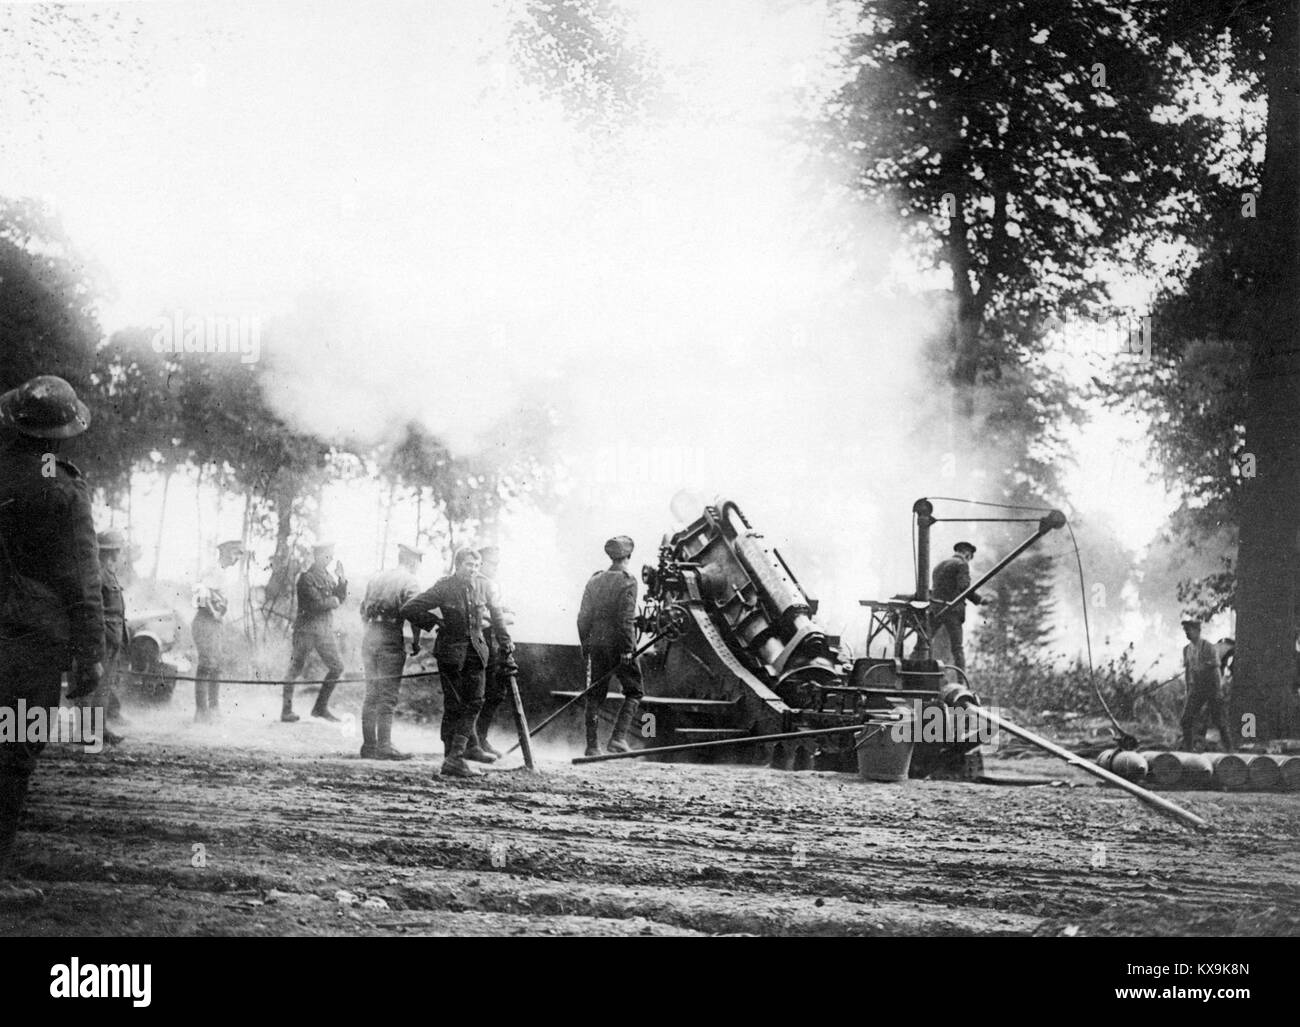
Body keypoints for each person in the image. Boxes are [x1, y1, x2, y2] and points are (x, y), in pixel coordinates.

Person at [0, 376, 104, 906]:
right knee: (13, 754)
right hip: (28, 645)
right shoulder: (63, 488)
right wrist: (92, 656)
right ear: (61, 436)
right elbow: (83, 582)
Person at [401, 548, 499, 777]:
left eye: (476, 565)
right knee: (454, 705)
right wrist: (435, 622)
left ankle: (458, 755)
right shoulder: (444, 586)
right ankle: (451, 759)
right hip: (450, 653)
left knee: (475, 701)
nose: (473, 569)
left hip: (476, 653)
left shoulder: (481, 585)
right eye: (468, 565)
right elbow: (410, 608)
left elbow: (493, 616)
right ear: (457, 565)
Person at [576, 535, 644, 757]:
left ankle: (592, 747)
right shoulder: (628, 580)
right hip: (618, 645)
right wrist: (627, 649)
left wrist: (587, 644)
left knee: (595, 695)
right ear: (628, 556)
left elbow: (582, 617)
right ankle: (618, 739)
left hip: (597, 644)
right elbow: (626, 619)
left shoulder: (594, 580)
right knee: (634, 691)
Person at [358, 542, 423, 759]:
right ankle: (384, 747)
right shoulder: (410, 580)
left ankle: (369, 746)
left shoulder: (377, 577)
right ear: (413, 561)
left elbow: (362, 609)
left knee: (371, 694)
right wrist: (415, 640)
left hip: (370, 635)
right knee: (387, 695)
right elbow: (415, 612)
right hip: (390, 635)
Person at [282, 542, 347, 723]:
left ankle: (320, 708)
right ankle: (286, 711)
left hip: (324, 631)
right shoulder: (306, 578)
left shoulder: (328, 576)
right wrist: (332, 601)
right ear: (318, 556)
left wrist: (341, 580)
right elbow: (314, 606)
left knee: (337, 667)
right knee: (295, 668)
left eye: (332, 555)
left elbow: (340, 598)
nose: (331, 559)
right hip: (306, 631)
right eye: (328, 555)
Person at [192, 539, 245, 723]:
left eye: (239, 554)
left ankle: (213, 708)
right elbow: (199, 594)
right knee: (206, 665)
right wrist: (213, 611)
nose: (237, 558)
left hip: (215, 624)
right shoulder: (212, 570)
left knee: (216, 665)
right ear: (223, 551)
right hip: (204, 622)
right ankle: (201, 711)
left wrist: (220, 612)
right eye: (234, 553)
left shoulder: (222, 573)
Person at [474, 545, 516, 759]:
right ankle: (473, 742)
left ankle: (481, 737)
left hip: (495, 647)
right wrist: (496, 618)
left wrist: (494, 618)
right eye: (493, 563)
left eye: (498, 564)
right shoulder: (475, 583)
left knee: (496, 694)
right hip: (481, 646)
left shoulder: (494, 585)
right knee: (480, 694)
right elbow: (478, 619)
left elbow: (509, 614)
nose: (496, 568)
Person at [87, 530, 129, 744]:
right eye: (118, 551)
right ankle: (89, 732)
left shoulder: (109, 574)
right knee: (96, 685)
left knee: (105, 686)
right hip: (103, 638)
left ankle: (99, 729)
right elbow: (94, 610)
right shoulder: (98, 574)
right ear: (111, 552)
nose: (120, 556)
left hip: (113, 638)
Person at [1180, 617, 1235, 752]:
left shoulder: (1208, 647)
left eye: (1189, 630)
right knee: (1186, 720)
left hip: (1211, 688)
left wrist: (1218, 691)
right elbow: (1188, 672)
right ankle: (1189, 750)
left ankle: (1230, 750)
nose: (1187, 633)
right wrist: (1188, 691)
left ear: (1198, 631)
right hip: (1197, 689)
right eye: (1185, 630)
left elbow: (1216, 671)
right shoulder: (1186, 649)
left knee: (1219, 722)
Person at [929, 542, 984, 671]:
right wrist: (980, 599)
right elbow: (964, 587)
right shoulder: (962, 564)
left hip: (935, 609)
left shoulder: (939, 565)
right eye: (969, 557)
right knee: (957, 648)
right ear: (966, 554)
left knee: (923, 643)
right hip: (952, 610)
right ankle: (962, 681)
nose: (968, 560)